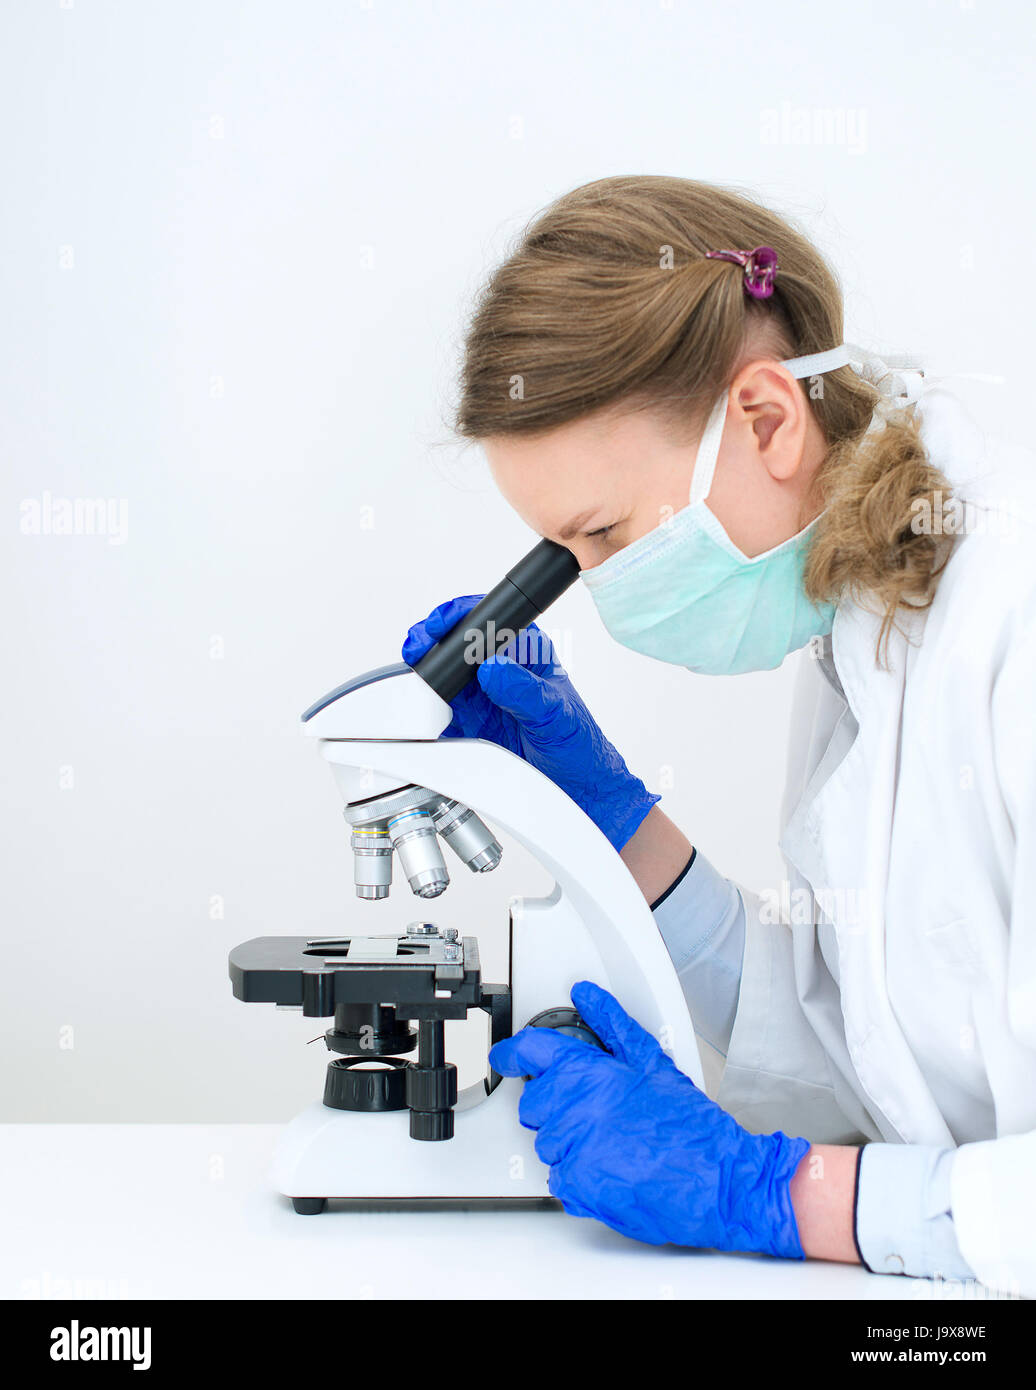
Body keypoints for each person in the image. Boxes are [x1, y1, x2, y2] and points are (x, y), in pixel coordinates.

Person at [402, 176, 1036, 1294]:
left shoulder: (1013, 617)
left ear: (764, 419)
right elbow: (864, 1057)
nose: (594, 589)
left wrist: (771, 1194)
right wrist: (609, 814)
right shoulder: (872, 627)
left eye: (596, 536)